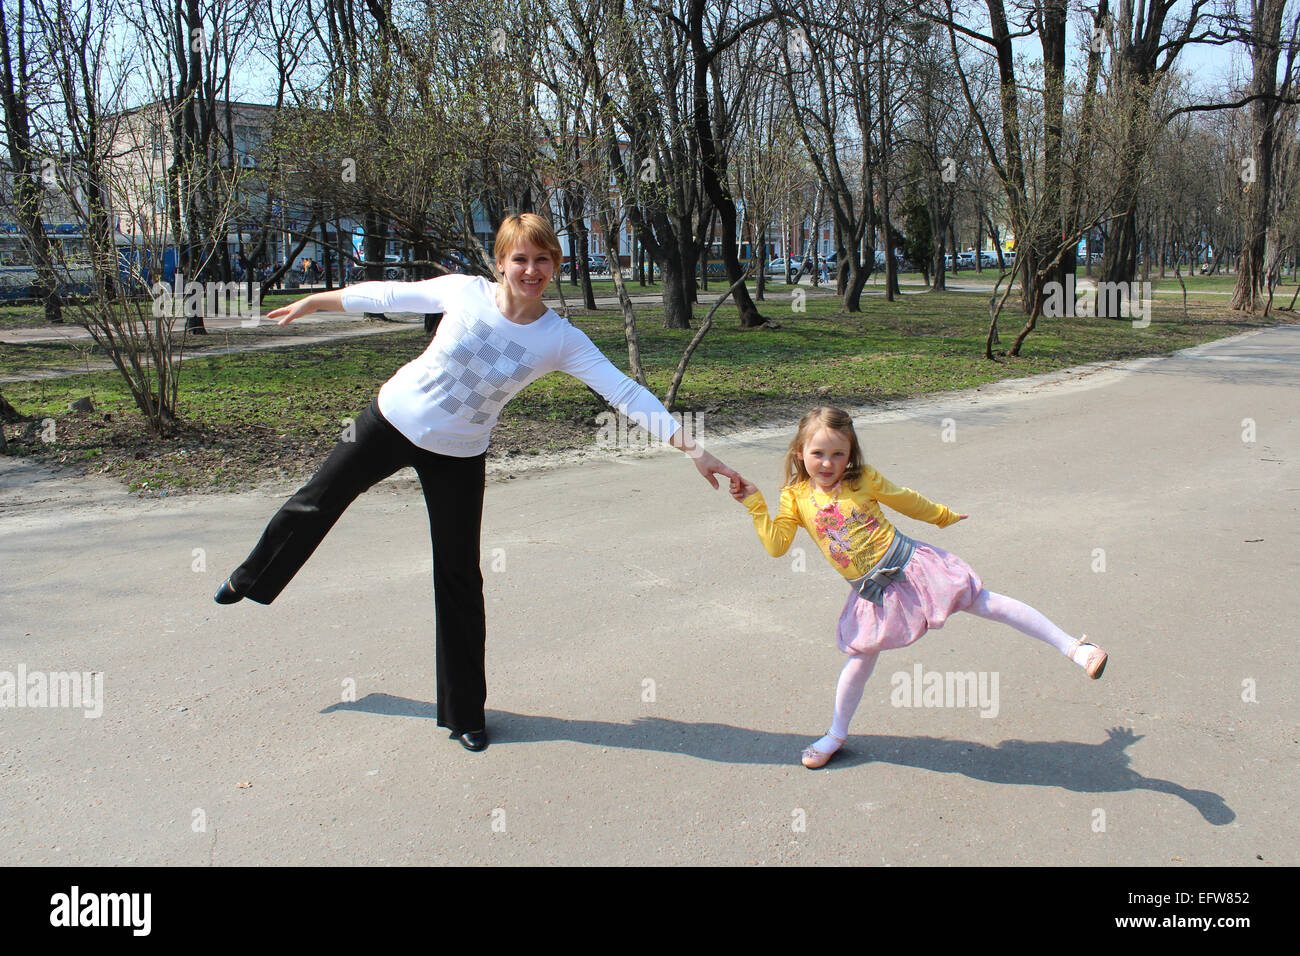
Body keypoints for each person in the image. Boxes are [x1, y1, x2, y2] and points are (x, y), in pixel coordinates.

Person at [215, 213, 741, 753]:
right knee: (316, 502)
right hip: (388, 421)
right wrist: (316, 301)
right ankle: (248, 579)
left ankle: (465, 712)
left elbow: (626, 394)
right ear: (501, 264)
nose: (531, 270)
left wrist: (696, 451)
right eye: (520, 259)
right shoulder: (464, 293)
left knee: (460, 576)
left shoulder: (561, 339)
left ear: (556, 266)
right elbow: (392, 295)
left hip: (459, 455)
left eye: (542, 260)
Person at [728, 406, 1107, 769]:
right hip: (872, 592)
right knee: (859, 660)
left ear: (850, 455)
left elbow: (905, 499)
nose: (827, 463)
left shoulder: (862, 479)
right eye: (818, 453)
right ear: (799, 453)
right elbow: (777, 546)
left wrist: (942, 515)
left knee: (988, 603)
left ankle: (1077, 648)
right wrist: (755, 505)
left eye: (837, 454)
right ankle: (835, 735)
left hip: (912, 567)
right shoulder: (793, 496)